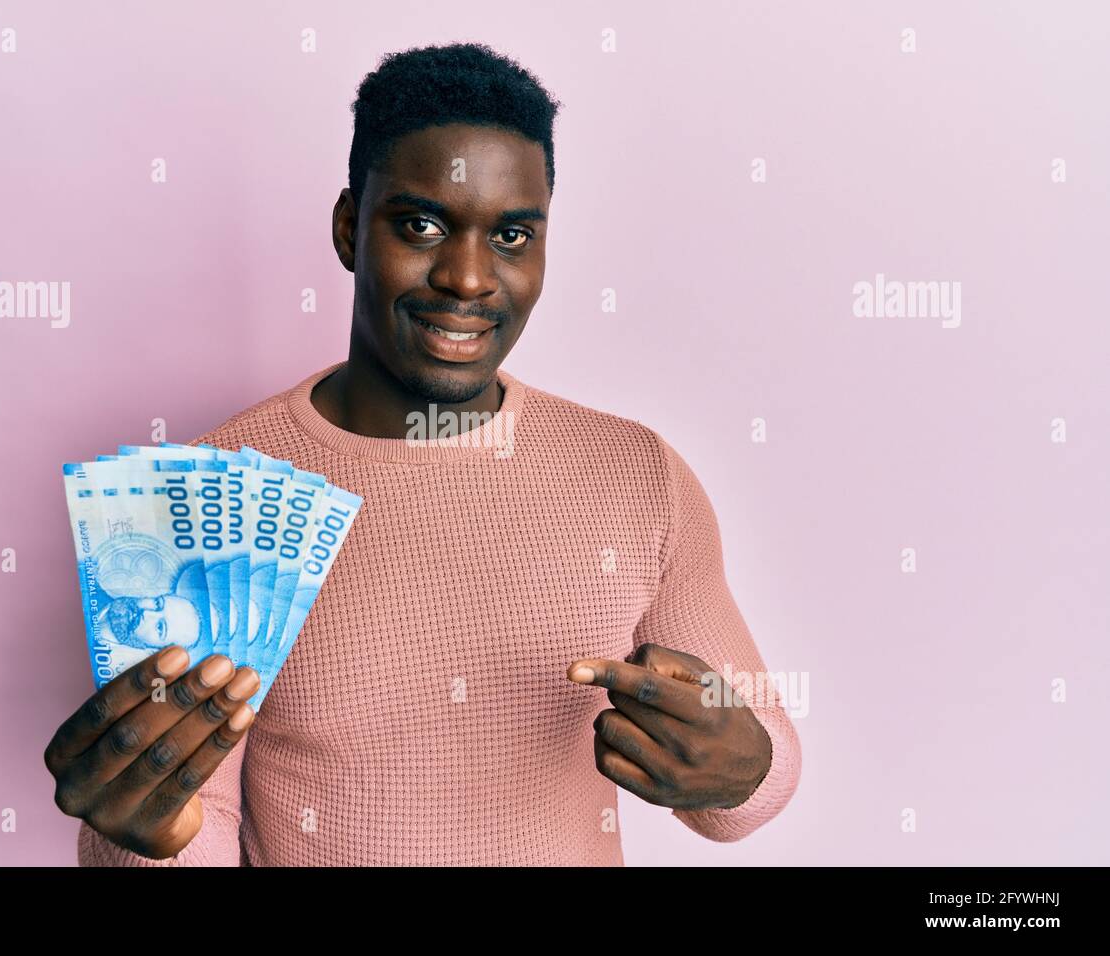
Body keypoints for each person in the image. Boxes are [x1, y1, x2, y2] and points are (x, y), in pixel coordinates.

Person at [45, 40, 802, 866]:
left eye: (512, 235)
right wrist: (145, 842)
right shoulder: (212, 491)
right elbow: (194, 823)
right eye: (422, 224)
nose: (469, 278)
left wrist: (741, 766)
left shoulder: (636, 474)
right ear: (347, 227)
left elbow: (754, 778)